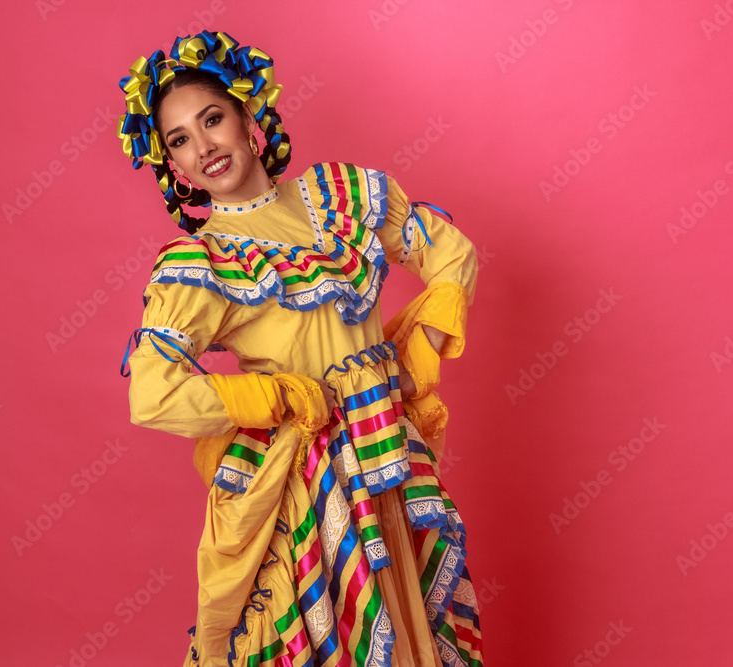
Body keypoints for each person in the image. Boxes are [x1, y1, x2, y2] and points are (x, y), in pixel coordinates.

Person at [116, 30, 483, 667]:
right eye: (180, 140)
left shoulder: (337, 199)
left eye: (212, 120)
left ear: (248, 115)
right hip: (308, 482)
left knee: (405, 623)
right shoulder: (200, 262)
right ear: (171, 164)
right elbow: (153, 394)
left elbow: (451, 253)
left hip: (386, 450)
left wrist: (420, 346)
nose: (204, 148)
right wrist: (280, 393)